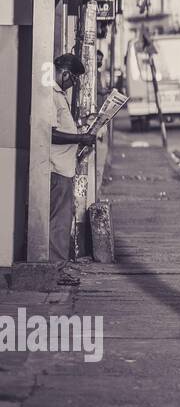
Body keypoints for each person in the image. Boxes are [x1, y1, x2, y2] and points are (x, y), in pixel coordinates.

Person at [49, 53, 94, 269]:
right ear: (65, 73)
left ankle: (57, 266)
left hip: (63, 167)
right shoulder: (51, 94)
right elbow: (49, 134)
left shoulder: (58, 94)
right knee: (59, 221)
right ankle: (56, 268)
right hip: (56, 168)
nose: (73, 84)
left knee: (61, 219)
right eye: (73, 79)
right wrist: (80, 138)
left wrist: (82, 129)